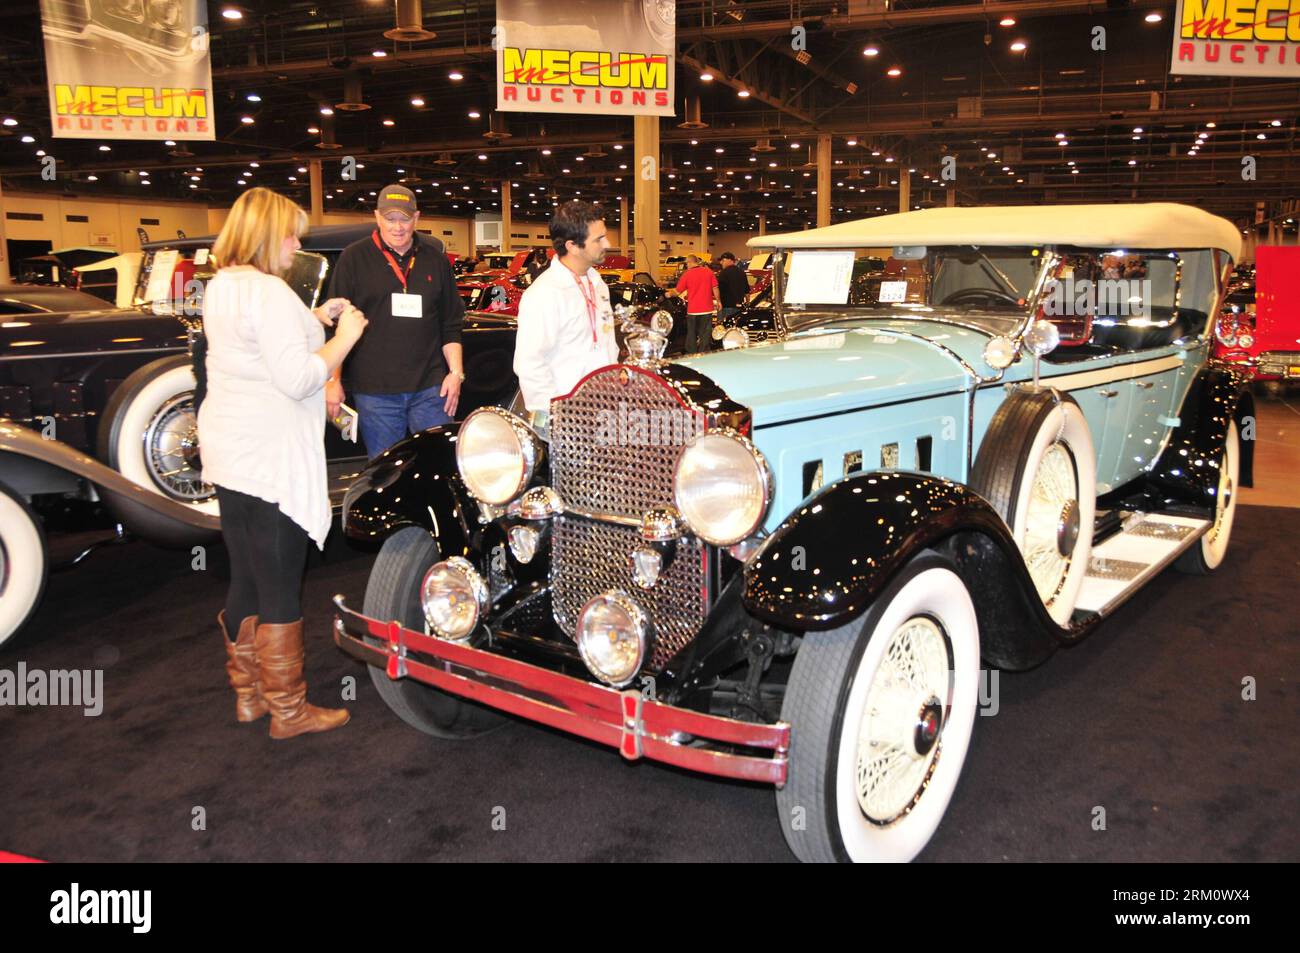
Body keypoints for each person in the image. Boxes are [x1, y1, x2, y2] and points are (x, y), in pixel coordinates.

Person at [198, 186, 368, 739]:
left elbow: (259, 346)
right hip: (270, 455)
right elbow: (297, 375)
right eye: (291, 233)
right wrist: (344, 337)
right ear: (267, 235)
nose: (297, 244)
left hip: (230, 452)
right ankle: (288, 712)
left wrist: (315, 316)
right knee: (279, 581)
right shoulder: (267, 291)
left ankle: (250, 697)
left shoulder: (223, 286)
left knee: (245, 573)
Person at [325, 184, 466, 458]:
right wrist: (333, 380)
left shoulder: (436, 261)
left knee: (435, 463)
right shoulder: (354, 258)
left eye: (404, 219)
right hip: (375, 392)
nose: (398, 227)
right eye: (390, 219)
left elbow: (451, 323)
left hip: (430, 389)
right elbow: (337, 326)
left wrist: (456, 374)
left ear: (417, 218)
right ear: (377, 217)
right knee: (384, 471)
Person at [513, 200, 618, 419]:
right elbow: (530, 364)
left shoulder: (598, 284)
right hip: (566, 420)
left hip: (604, 410)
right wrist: (557, 416)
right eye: (599, 239)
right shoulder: (545, 293)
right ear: (572, 246)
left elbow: (607, 344)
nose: (607, 243)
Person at [668, 254, 720, 353]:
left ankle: (691, 354)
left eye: (687, 263)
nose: (686, 265)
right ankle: (704, 353)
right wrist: (718, 301)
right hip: (706, 309)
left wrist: (668, 294)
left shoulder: (687, 274)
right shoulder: (708, 272)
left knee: (691, 334)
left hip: (693, 310)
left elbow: (678, 292)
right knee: (705, 334)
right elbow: (715, 288)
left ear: (691, 262)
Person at [716, 251, 748, 323]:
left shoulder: (723, 273)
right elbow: (747, 291)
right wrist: (748, 305)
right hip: (739, 308)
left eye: (723, 260)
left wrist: (718, 302)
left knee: (724, 330)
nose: (721, 263)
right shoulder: (742, 272)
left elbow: (718, 289)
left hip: (726, 307)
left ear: (730, 260)